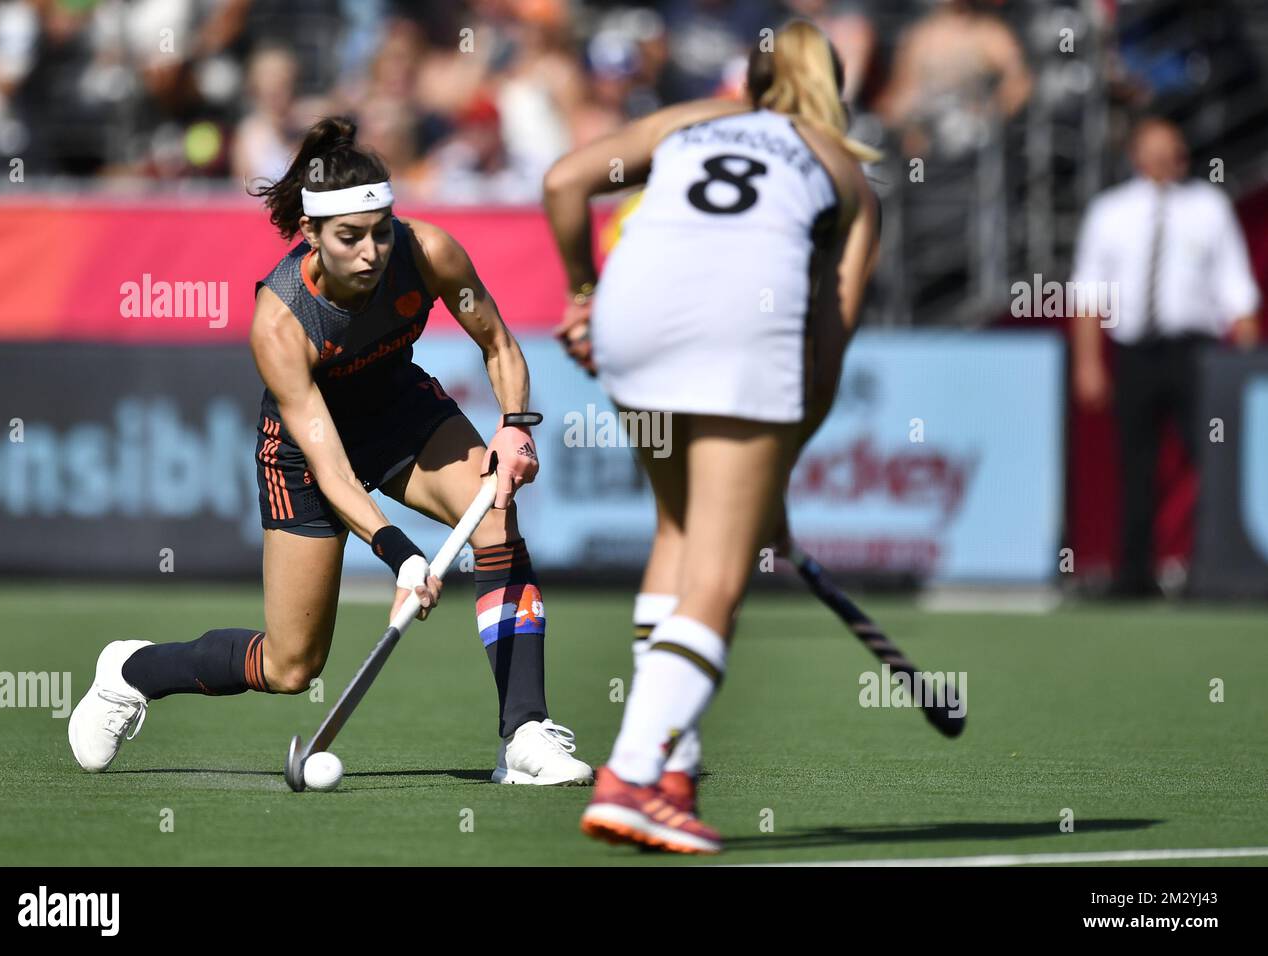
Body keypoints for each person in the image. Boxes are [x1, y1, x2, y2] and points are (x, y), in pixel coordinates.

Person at [69, 116, 593, 787]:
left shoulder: (429, 252)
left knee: (495, 519)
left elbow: (497, 344)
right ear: (313, 235)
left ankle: (523, 734)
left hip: (401, 412)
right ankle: (131, 671)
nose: (371, 252)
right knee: (291, 667)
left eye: (380, 231)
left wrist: (516, 424)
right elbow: (331, 468)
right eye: (350, 237)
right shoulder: (281, 322)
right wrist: (401, 554)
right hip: (304, 454)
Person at [544, 18, 880, 854]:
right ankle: (628, 777)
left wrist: (585, 293)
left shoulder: (690, 122)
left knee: (681, 528)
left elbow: (562, 181)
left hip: (632, 313)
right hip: (740, 325)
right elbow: (831, 333)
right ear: (834, 89)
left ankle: (671, 776)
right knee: (722, 576)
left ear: (753, 83)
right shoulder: (847, 175)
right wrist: (784, 468)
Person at [1071, 116, 1261, 597]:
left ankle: (1213, 570)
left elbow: (1235, 287)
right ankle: (1134, 575)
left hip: (1195, 355)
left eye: (1171, 149)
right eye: (1153, 149)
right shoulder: (1109, 212)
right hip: (1134, 350)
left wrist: (1244, 355)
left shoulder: (1209, 207)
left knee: (1213, 458)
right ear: (1135, 155)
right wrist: (1089, 363)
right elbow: (1088, 294)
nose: (1163, 159)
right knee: (1136, 464)